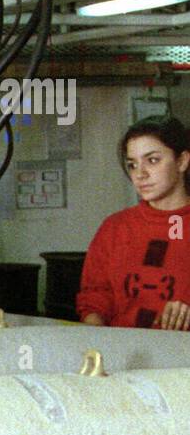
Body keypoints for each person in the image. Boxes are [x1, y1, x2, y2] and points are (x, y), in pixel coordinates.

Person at [77, 116, 190, 330]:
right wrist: (95, 335)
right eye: (132, 164)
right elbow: (95, 297)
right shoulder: (115, 227)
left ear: (182, 161)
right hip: (124, 356)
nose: (140, 174)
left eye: (153, 160)